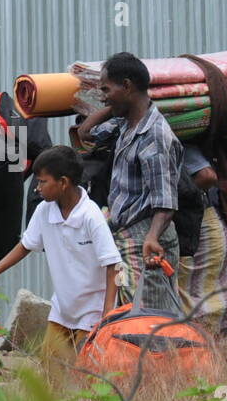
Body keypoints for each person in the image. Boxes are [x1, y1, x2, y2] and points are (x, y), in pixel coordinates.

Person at [0, 145, 119, 384]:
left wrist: (108, 314)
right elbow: (26, 245)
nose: (36, 187)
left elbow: (114, 266)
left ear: (63, 182)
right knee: (50, 376)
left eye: (42, 181)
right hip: (62, 311)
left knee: (89, 378)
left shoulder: (91, 216)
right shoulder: (44, 211)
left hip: (93, 313)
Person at [76, 52, 183, 311]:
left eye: (106, 89)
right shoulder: (125, 124)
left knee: (148, 319)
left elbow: (165, 201)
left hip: (146, 237)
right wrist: (112, 105)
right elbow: (85, 134)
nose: (102, 95)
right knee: (129, 313)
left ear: (126, 86)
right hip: (126, 235)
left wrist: (152, 238)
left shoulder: (155, 136)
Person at [176, 142, 227, 349]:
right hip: (213, 229)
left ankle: (214, 368)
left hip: (203, 232)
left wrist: (165, 201)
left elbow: (206, 176)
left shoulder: (166, 134)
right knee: (225, 304)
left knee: (202, 308)